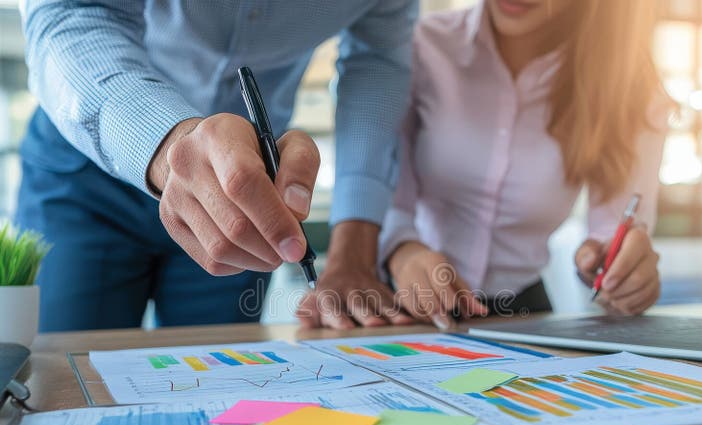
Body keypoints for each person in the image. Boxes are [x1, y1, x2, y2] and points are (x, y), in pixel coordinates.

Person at [17, 1, 416, 331]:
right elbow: (73, 12)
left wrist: (354, 247)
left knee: (219, 390)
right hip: (88, 164)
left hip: (245, 191)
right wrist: (167, 142)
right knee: (68, 372)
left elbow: (377, 59)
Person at [380, 0, 672, 329]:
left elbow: (612, 232)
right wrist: (403, 251)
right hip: (407, 305)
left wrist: (618, 268)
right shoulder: (422, 47)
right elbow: (388, 197)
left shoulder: (630, 89)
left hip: (525, 314)